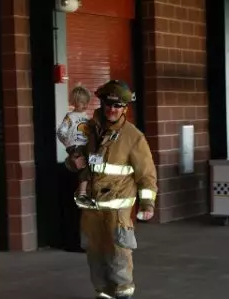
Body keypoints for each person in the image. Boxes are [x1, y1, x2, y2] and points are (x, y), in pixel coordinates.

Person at [67, 80, 158, 299]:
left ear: (125, 108)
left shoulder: (133, 137)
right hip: (91, 208)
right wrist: (72, 162)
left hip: (117, 211)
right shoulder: (88, 130)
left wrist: (147, 203)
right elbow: (77, 162)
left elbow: (146, 174)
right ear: (102, 103)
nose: (112, 109)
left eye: (118, 106)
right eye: (109, 104)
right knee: (96, 256)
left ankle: (123, 293)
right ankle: (104, 293)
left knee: (118, 254)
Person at [57, 85, 92, 203]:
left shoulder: (86, 117)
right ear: (75, 102)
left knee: (92, 163)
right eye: (82, 102)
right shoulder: (70, 116)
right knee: (82, 165)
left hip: (85, 145)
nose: (85, 105)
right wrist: (68, 144)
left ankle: (84, 190)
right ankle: (82, 194)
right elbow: (61, 131)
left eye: (86, 102)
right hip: (75, 146)